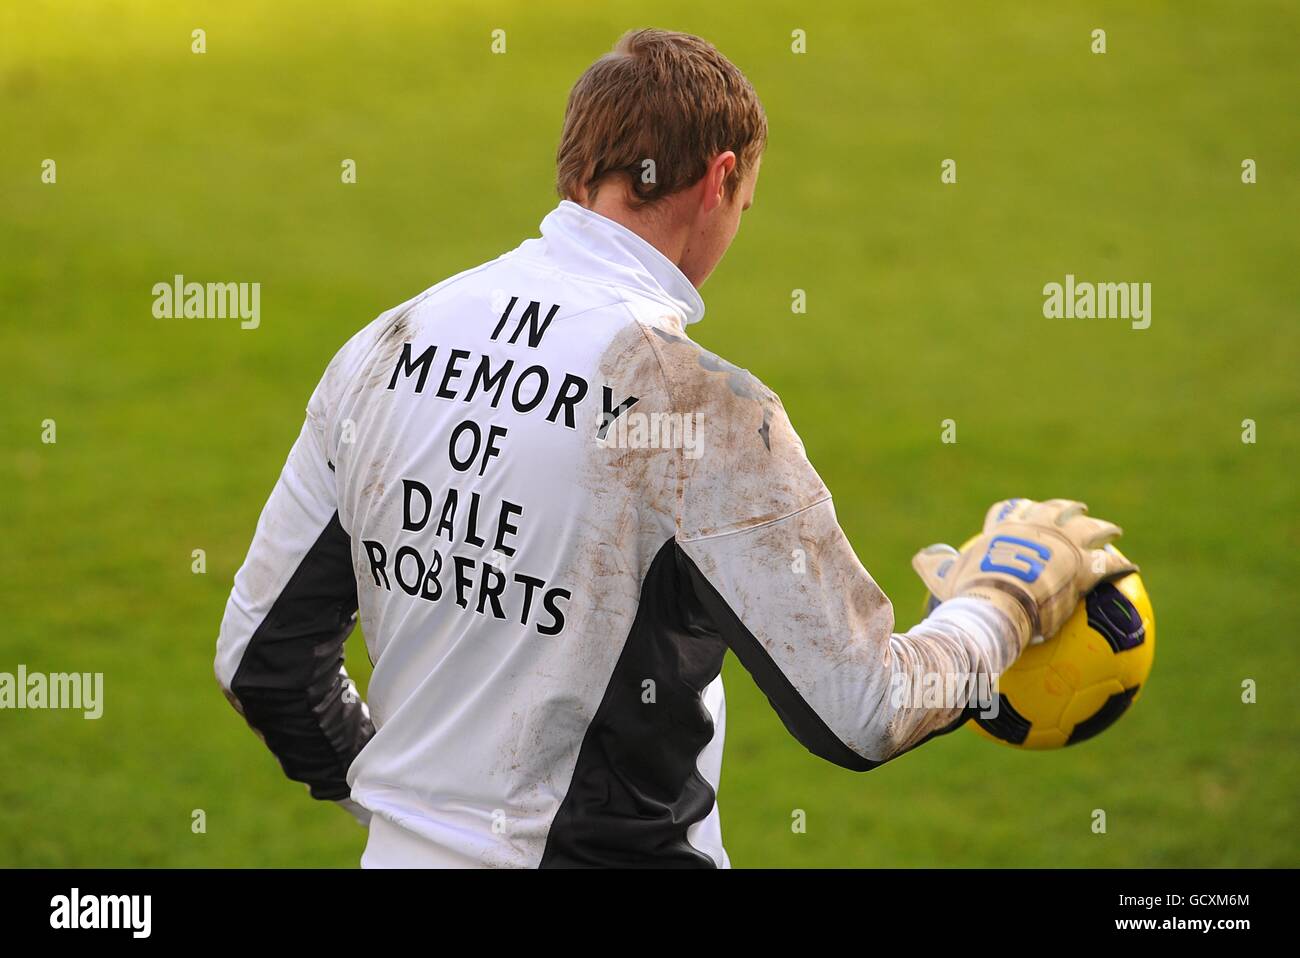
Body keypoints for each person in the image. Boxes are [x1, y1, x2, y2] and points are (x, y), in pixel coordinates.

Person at [215, 28, 1134, 868]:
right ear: (718, 179)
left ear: (581, 171)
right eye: (747, 200)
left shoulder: (387, 346)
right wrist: (1001, 604)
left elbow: (262, 660)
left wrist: (413, 819)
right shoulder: (699, 409)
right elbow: (862, 711)